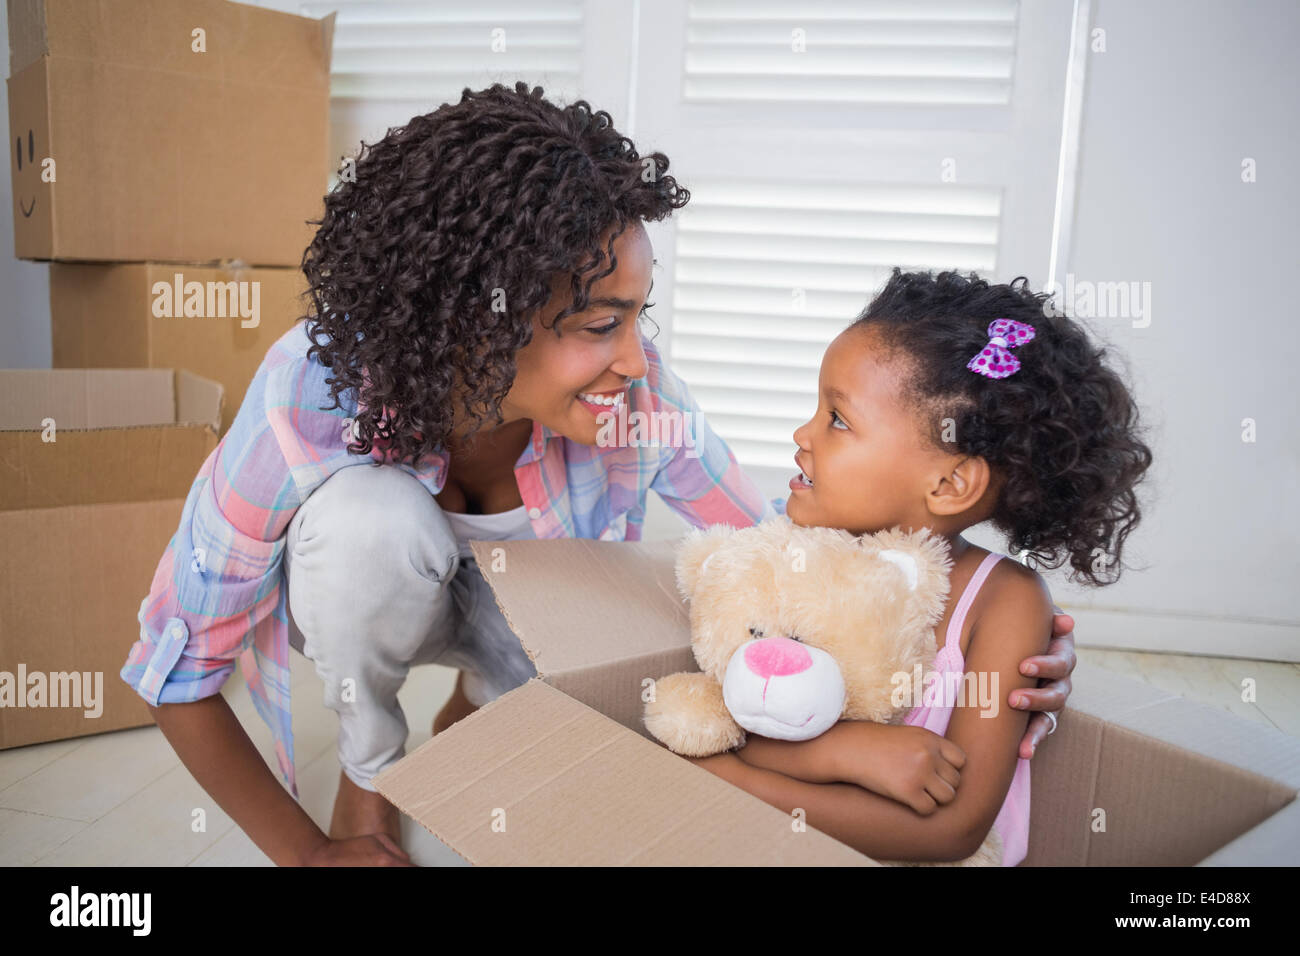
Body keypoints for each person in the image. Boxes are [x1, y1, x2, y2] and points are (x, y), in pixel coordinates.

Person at [120, 84, 1079, 867]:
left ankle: (485, 701)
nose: (635, 355)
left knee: (623, 675)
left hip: (529, 624)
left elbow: (785, 545)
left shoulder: (637, 394)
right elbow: (177, 668)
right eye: (597, 324)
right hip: (368, 589)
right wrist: (306, 857)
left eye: (639, 314)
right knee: (368, 526)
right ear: (474, 323)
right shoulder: (310, 394)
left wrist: (986, 630)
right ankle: (369, 776)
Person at [688, 268, 1153, 865]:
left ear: (951, 482)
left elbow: (952, 829)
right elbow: (735, 721)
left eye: (838, 419)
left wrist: (732, 783)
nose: (802, 433)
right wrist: (844, 751)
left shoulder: (1004, 602)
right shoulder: (790, 555)